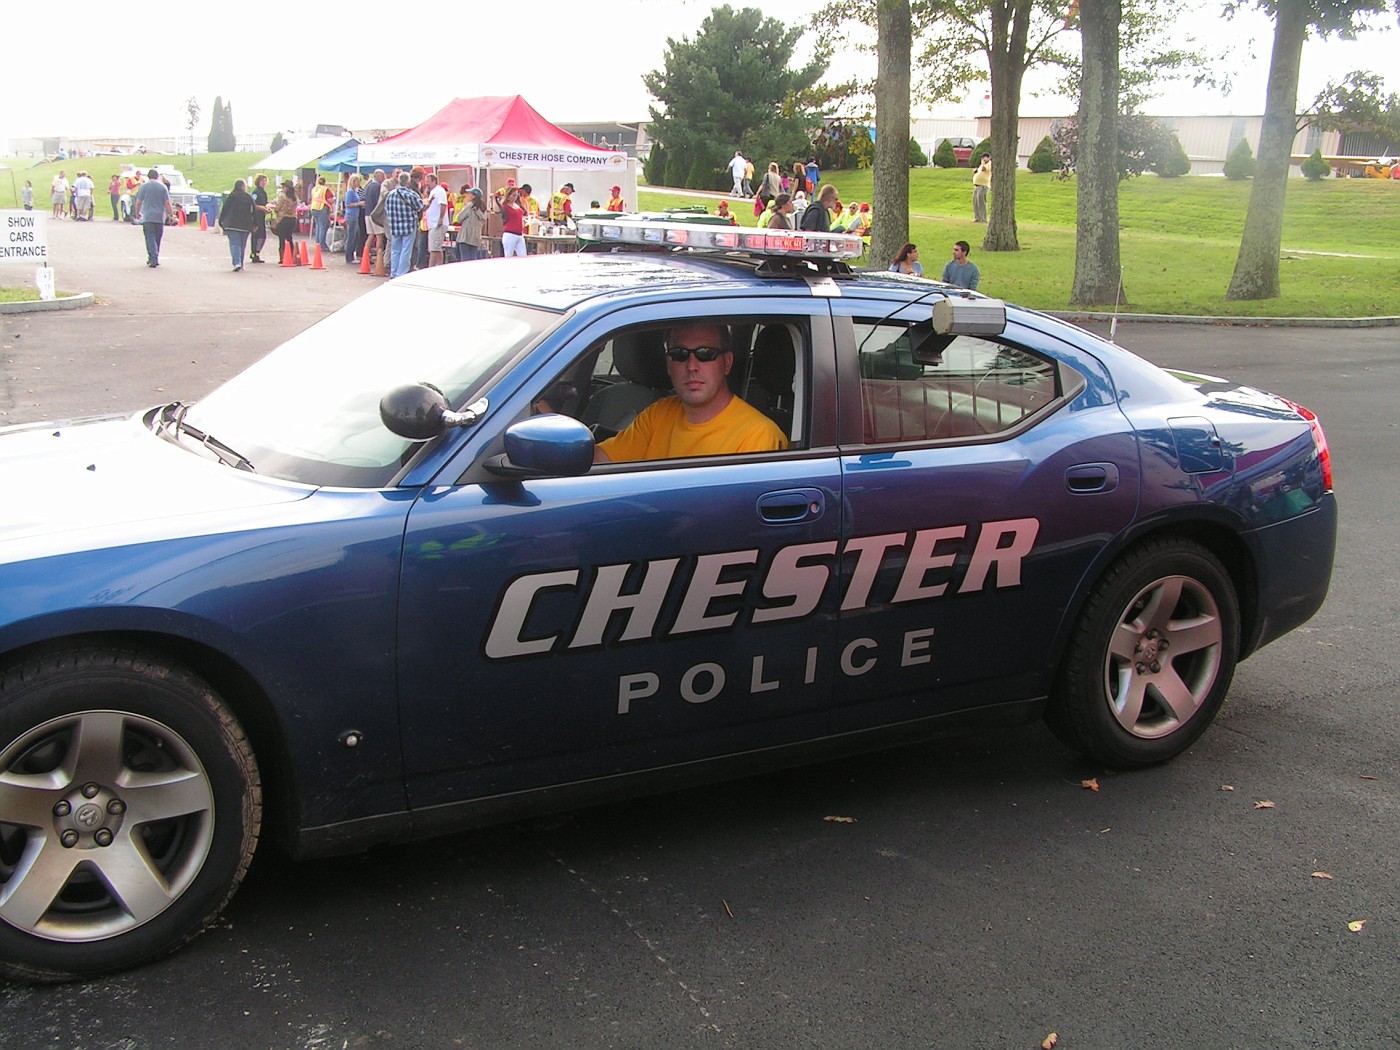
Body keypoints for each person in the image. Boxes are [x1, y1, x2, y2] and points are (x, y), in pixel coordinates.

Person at [595, 322, 788, 463]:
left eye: (705, 354)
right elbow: (601, 461)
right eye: (679, 354)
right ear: (668, 364)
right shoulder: (658, 414)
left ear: (727, 363)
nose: (692, 366)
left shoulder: (758, 436)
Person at [384, 172, 425, 278]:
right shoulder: (412, 194)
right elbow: (421, 207)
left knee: (395, 250)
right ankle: (401, 273)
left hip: (394, 227)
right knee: (406, 250)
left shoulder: (390, 194)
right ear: (408, 181)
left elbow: (386, 209)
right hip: (408, 226)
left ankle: (393, 272)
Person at [132, 167, 173, 267]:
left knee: (150, 237)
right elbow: (167, 203)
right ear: (157, 176)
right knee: (157, 238)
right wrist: (171, 214)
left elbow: (138, 202)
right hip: (159, 216)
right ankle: (154, 257)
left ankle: (152, 257)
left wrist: (137, 213)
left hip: (147, 216)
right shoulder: (163, 187)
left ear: (148, 176)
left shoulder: (143, 187)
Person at [217, 179, 256, 271]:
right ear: (243, 187)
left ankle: (237, 262)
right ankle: (240, 263)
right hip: (245, 224)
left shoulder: (231, 196)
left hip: (232, 224)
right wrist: (255, 223)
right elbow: (253, 211)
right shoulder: (248, 197)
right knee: (242, 244)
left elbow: (225, 209)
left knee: (235, 243)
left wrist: (221, 221)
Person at [362, 169, 387, 273]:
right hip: (375, 215)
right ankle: (379, 258)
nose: (384, 178)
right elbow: (379, 201)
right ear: (378, 176)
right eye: (383, 176)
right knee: (379, 236)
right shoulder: (377, 187)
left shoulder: (368, 186)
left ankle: (365, 256)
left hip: (367, 214)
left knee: (371, 235)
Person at [422, 172, 449, 267]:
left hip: (437, 223)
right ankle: (439, 266)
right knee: (436, 248)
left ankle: (431, 267)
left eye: (428, 181)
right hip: (433, 223)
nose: (426, 184)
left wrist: (440, 219)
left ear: (434, 181)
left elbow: (443, 204)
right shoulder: (432, 192)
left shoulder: (439, 191)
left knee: (434, 248)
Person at [273, 179, 300, 265]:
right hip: (293, 219)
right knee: (289, 237)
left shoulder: (282, 197)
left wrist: (274, 208)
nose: (282, 188)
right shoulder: (295, 198)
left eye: (283, 187)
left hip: (284, 218)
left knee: (282, 238)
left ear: (287, 188)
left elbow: (277, 208)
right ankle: (292, 255)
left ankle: (282, 257)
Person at [455, 187, 486, 261]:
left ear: (474, 196)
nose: (468, 195)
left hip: (465, 237)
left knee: (464, 261)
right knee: (472, 260)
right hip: (475, 238)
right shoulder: (482, 208)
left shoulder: (470, 206)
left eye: (469, 194)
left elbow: (459, 218)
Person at [343, 174, 365, 265]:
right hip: (351, 215)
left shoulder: (355, 192)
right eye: (357, 181)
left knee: (355, 235)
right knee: (351, 236)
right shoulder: (350, 192)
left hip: (355, 214)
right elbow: (347, 204)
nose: (359, 183)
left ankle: (351, 254)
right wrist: (358, 204)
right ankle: (349, 256)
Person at [499, 186, 528, 257]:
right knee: (508, 256)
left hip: (519, 234)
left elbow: (524, 213)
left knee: (523, 256)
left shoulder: (517, 205)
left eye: (516, 195)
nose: (515, 197)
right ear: (508, 196)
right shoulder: (504, 206)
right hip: (510, 233)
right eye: (513, 195)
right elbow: (498, 210)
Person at [249, 174, 270, 263]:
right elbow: (253, 204)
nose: (263, 182)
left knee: (262, 236)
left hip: (262, 216)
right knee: (256, 235)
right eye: (262, 181)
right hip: (256, 216)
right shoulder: (256, 192)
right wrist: (263, 208)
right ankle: (254, 253)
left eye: (265, 181)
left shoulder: (263, 192)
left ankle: (257, 252)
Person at [310, 175, 332, 251]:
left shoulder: (314, 189)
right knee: (323, 226)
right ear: (325, 182)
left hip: (314, 208)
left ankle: (317, 243)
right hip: (321, 208)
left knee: (318, 226)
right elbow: (330, 199)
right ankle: (322, 244)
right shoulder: (325, 189)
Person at [972, 153, 991, 223]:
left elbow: (984, 169)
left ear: (988, 158)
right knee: (975, 202)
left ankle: (983, 218)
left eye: (984, 157)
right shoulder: (981, 165)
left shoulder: (989, 164)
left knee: (981, 202)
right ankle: (977, 217)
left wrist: (983, 163)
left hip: (983, 186)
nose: (983, 159)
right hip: (977, 185)